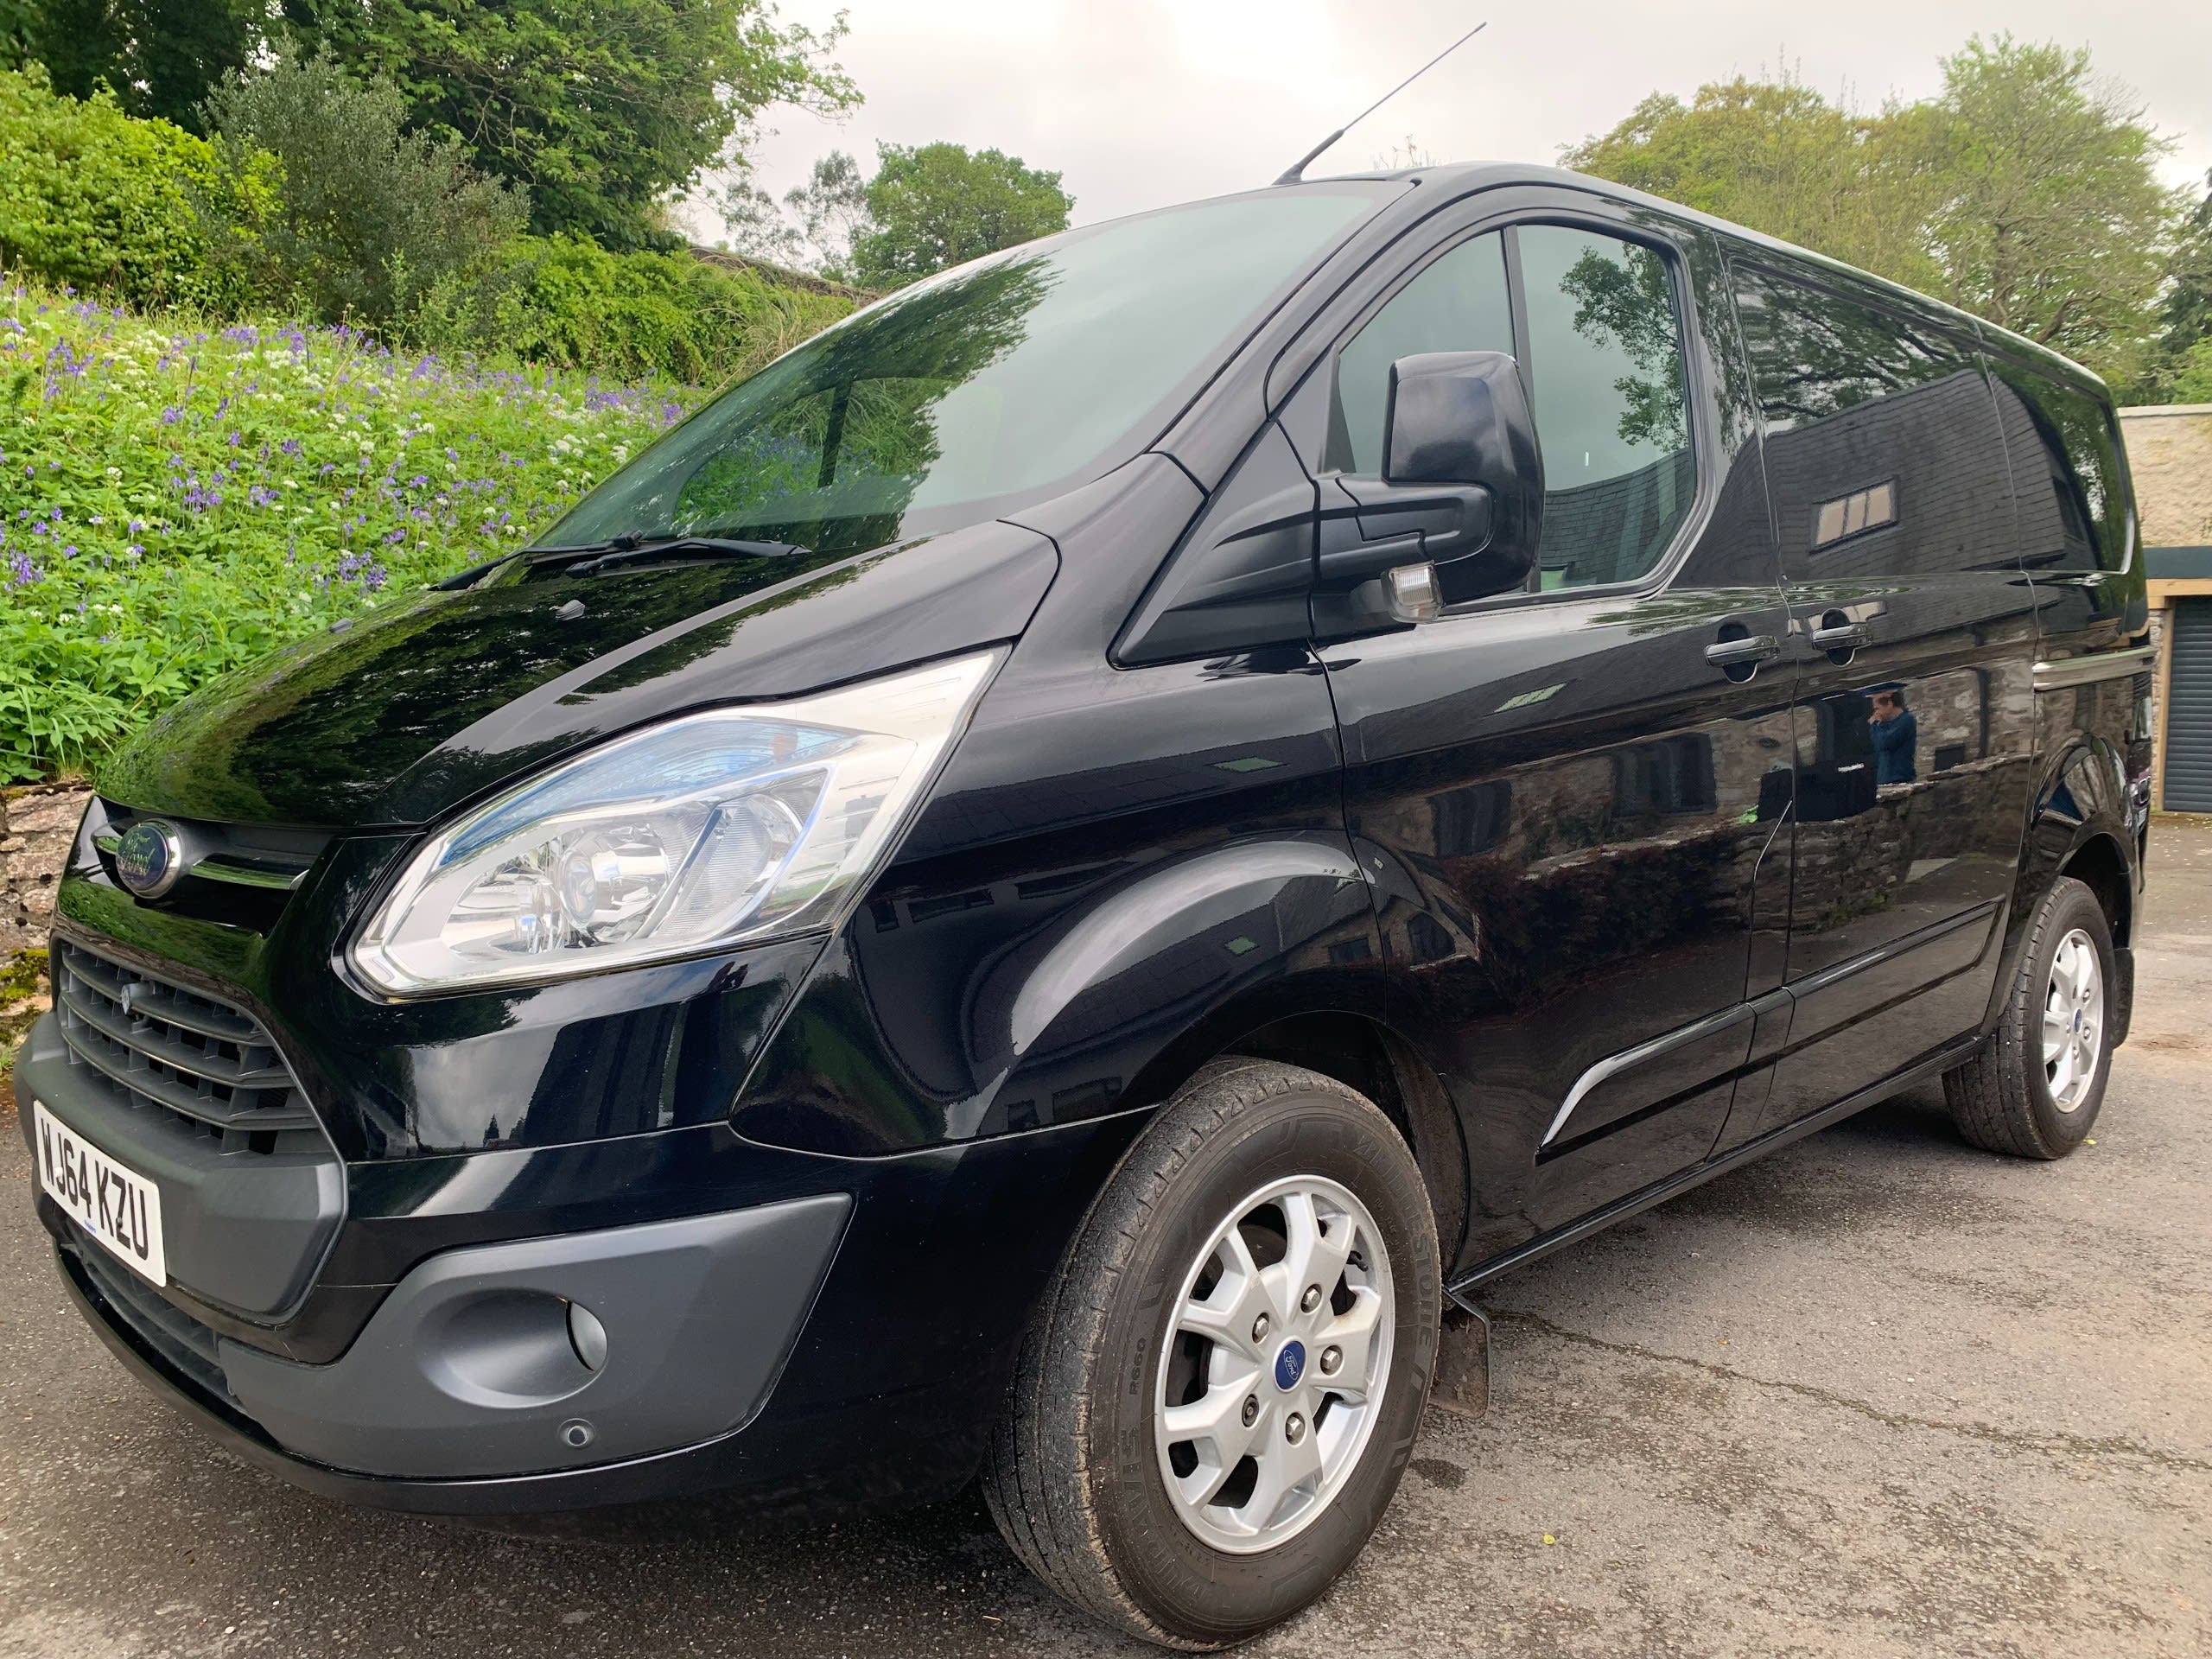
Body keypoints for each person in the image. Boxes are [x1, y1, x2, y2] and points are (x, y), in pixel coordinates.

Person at [1868, 687, 1917, 785]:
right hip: (1884, 778)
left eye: (1877, 708)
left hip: (1900, 778)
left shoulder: (1906, 720)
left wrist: (1876, 724)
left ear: (1889, 704)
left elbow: (1884, 743)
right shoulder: (1884, 724)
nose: (1876, 713)